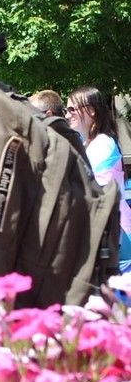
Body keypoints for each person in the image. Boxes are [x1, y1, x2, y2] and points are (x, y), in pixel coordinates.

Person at [65, 86, 131, 272]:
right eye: (66, 110)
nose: (67, 115)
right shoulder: (89, 144)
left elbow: (92, 189)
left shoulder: (102, 144)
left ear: (91, 110)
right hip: (108, 229)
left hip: (116, 233)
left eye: (72, 109)